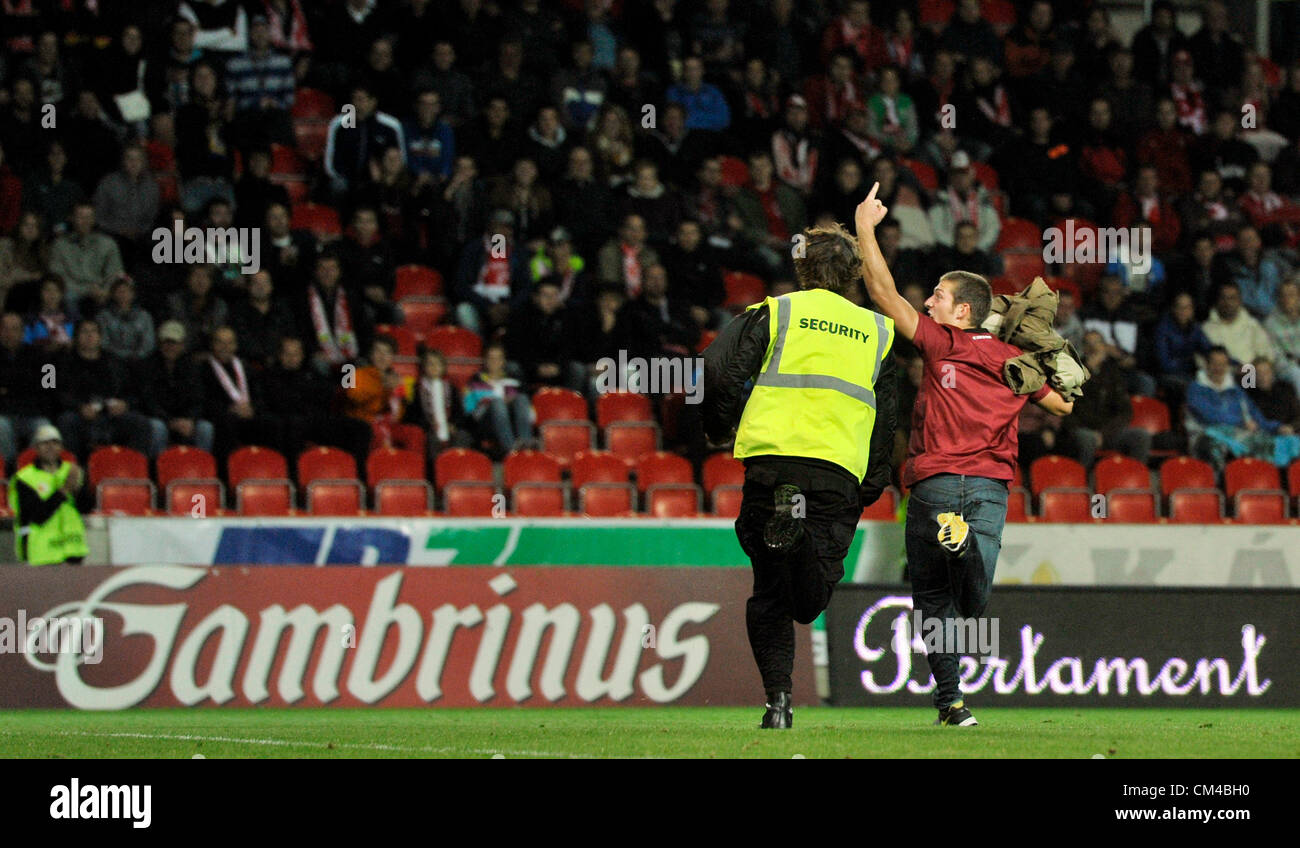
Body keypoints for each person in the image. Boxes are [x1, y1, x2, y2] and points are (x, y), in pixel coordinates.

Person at [855, 181, 1073, 727]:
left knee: (931, 599)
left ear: (964, 311)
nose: (928, 302)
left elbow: (883, 293)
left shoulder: (939, 342)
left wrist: (863, 227)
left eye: (938, 297)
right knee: (972, 606)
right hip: (985, 487)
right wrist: (1053, 358)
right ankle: (967, 548)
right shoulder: (1012, 362)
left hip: (930, 486)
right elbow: (1065, 406)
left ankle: (951, 702)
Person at [702, 220, 898, 730]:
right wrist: (872, 483)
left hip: (772, 466)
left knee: (769, 591)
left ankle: (778, 705)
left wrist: (717, 428)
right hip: (836, 474)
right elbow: (887, 415)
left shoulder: (775, 312)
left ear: (800, 267)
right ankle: (792, 541)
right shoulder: (878, 331)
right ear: (854, 274)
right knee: (809, 603)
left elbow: (716, 369)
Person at [8, 425, 89, 565]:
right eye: (44, 443)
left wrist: (79, 490)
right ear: (36, 448)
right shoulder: (25, 478)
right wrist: (64, 490)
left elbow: (86, 507)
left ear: (61, 447)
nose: (50, 447)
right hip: (42, 551)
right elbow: (37, 516)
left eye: (55, 442)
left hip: (72, 546)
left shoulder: (72, 471)